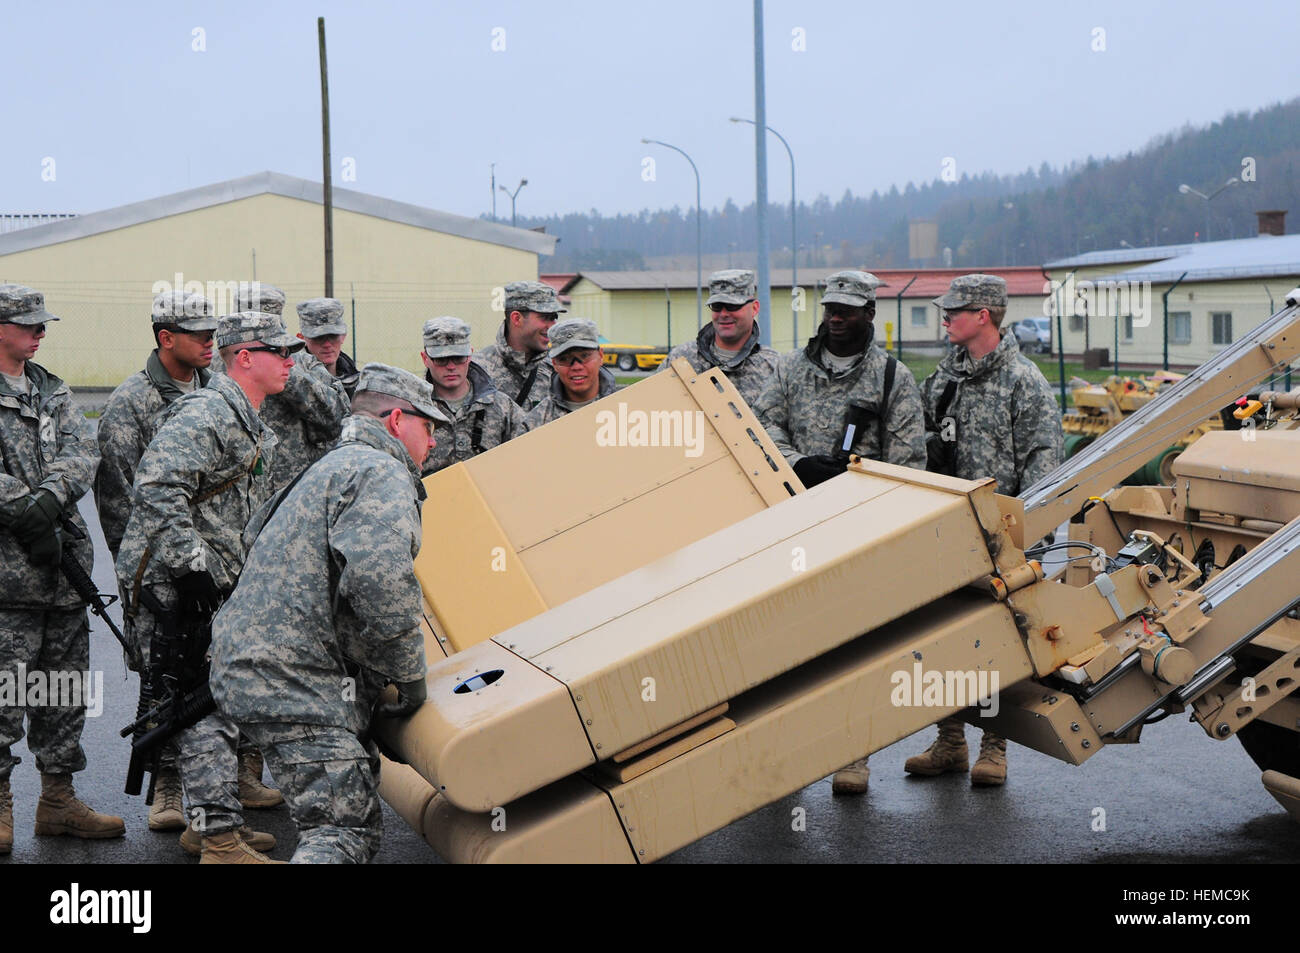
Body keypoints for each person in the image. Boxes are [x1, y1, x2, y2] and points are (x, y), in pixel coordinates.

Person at [209, 364, 444, 863]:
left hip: (273, 669)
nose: (436, 443)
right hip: (295, 677)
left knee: (345, 823)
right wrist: (410, 677)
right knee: (340, 831)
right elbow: (380, 583)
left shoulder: (332, 465)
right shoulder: (379, 471)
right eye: (431, 426)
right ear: (398, 419)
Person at [115, 311, 301, 863]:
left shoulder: (242, 416)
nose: (291, 361)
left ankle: (208, 824)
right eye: (278, 351)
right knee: (202, 707)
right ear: (244, 357)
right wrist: (191, 566)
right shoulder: (209, 413)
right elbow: (155, 485)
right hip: (174, 589)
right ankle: (219, 841)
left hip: (206, 582)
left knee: (209, 701)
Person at [753, 270, 927, 795]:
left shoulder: (893, 378)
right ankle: (783, 756)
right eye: (830, 307)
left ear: (869, 314)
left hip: (858, 528)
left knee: (853, 650)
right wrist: (799, 463)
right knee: (785, 645)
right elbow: (761, 425)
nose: (835, 317)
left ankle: (852, 754)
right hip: (794, 523)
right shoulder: (790, 369)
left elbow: (909, 462)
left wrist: (859, 484)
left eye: (847, 310)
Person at [905, 273, 1064, 786]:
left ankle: (994, 747)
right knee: (943, 639)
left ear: (985, 316)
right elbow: (924, 447)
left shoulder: (1024, 382)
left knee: (998, 644)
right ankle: (950, 740)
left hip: (1002, 541)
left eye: (955, 310)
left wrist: (1023, 538)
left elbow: (1044, 467)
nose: (944, 317)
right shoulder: (942, 381)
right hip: (947, 535)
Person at [0, 284, 124, 854]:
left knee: (64, 689)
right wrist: (25, 511)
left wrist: (49, 498)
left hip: (63, 571)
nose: (40, 330)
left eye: (42, 323)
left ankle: (57, 801)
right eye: (28, 323)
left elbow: (83, 448)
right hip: (8, 579)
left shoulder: (51, 388)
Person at [95, 289, 217, 833]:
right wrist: (146, 576)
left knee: (213, 674)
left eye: (214, 333)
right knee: (164, 675)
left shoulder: (219, 394)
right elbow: (119, 500)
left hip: (213, 563)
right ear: (166, 338)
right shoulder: (132, 403)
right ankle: (166, 785)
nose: (210, 342)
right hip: (157, 575)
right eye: (199, 334)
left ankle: (216, 797)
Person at [231, 284, 349, 494]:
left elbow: (336, 419)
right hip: (236, 499)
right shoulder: (218, 367)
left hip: (293, 496)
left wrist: (282, 368)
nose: (328, 344)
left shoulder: (303, 365)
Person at [419, 316, 523, 475]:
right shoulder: (414, 409)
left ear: (470, 355)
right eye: (441, 359)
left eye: (458, 357)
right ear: (425, 358)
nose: (451, 366)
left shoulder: (501, 407)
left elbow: (527, 455)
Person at [659, 269, 778, 407]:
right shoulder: (681, 359)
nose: (723, 314)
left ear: (754, 308)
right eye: (717, 306)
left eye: (732, 306)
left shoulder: (773, 367)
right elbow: (650, 408)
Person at [472, 280, 565, 412]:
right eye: (545, 317)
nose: (552, 326)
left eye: (554, 317)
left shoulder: (556, 371)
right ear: (517, 318)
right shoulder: (477, 371)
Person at [520, 318, 618, 431]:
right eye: (564, 359)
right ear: (554, 364)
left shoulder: (626, 412)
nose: (577, 367)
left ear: (600, 356)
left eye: (585, 356)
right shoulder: (537, 422)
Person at [296, 297, 360, 399]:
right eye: (318, 337)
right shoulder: (291, 383)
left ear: (343, 337)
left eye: (333, 336)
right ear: (301, 339)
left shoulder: (356, 382)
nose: (327, 344)